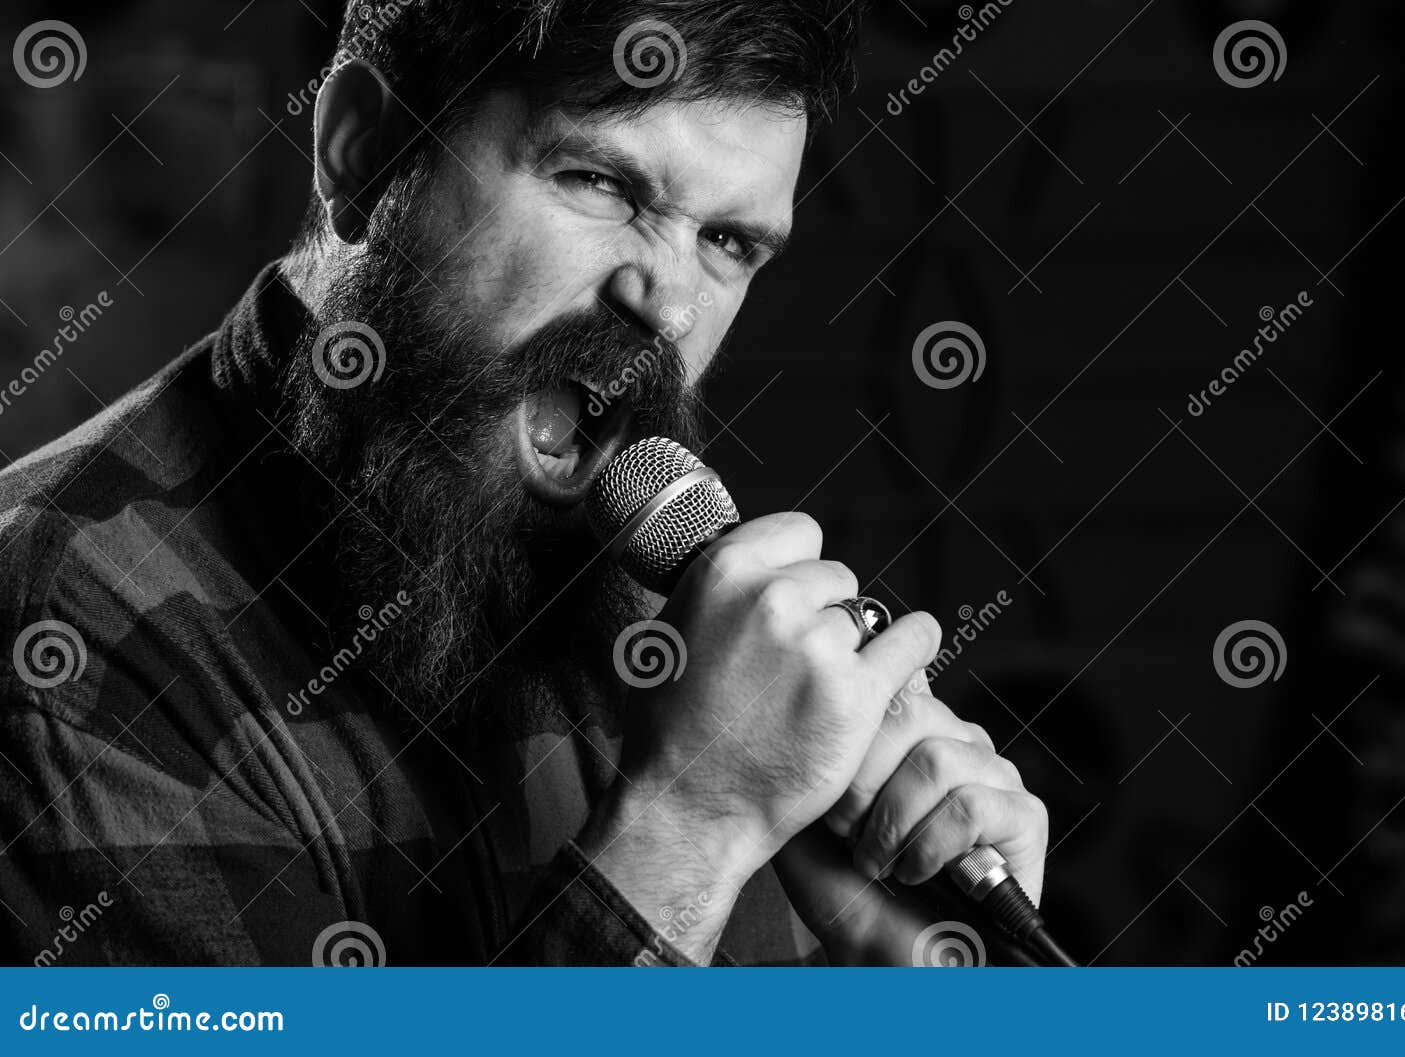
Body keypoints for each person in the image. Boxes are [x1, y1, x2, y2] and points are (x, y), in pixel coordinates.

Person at [0, 0, 1046, 965]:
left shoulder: (681, 629)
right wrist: (687, 827)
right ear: (362, 151)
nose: (667, 307)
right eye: (601, 183)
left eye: (728, 243)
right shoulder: (64, 630)